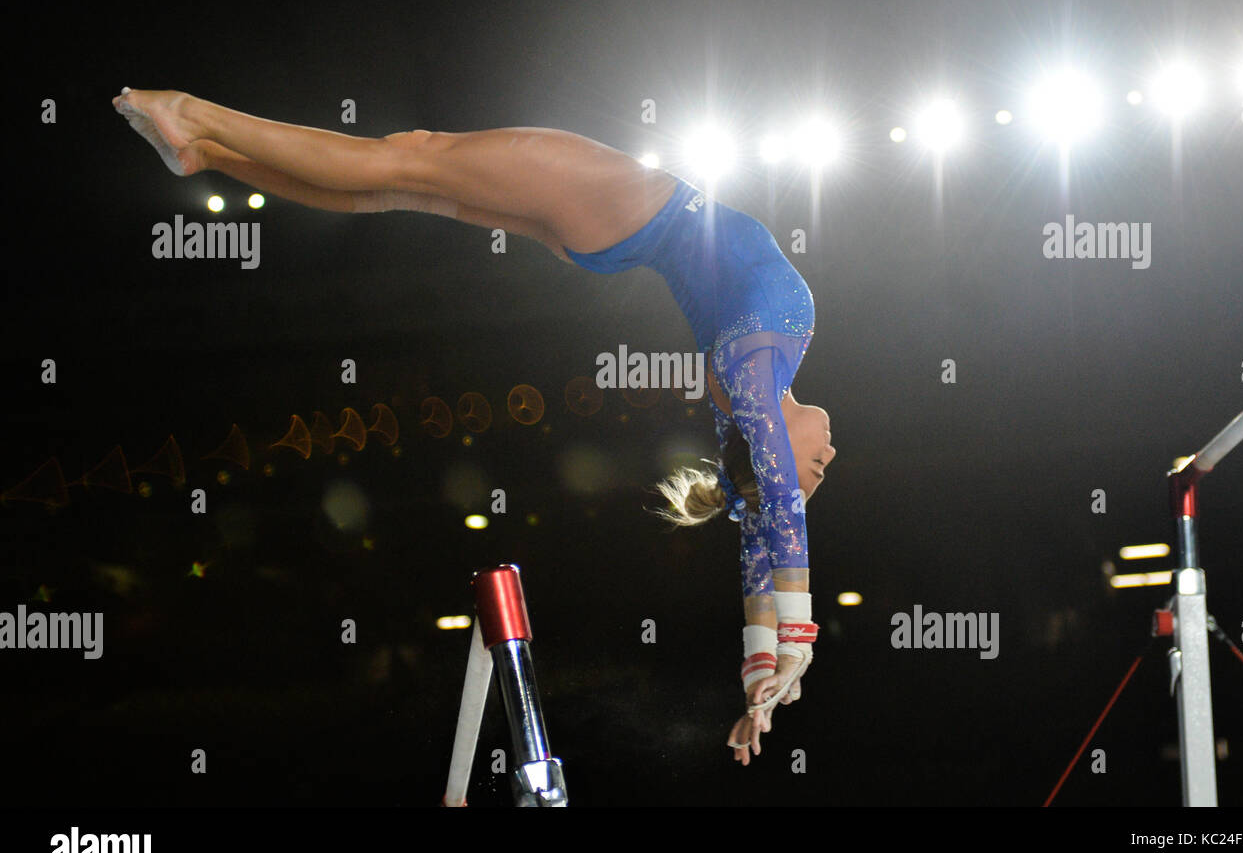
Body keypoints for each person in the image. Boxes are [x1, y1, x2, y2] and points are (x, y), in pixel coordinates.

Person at [112, 88, 836, 766]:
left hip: (629, 212)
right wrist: (762, 671)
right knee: (403, 186)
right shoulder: (746, 392)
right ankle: (206, 155)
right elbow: (757, 535)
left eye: (812, 477)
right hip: (613, 234)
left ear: (768, 448)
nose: (825, 464)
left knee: (415, 156)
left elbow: (772, 501)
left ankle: (192, 114)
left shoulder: (757, 367)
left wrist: (794, 645)